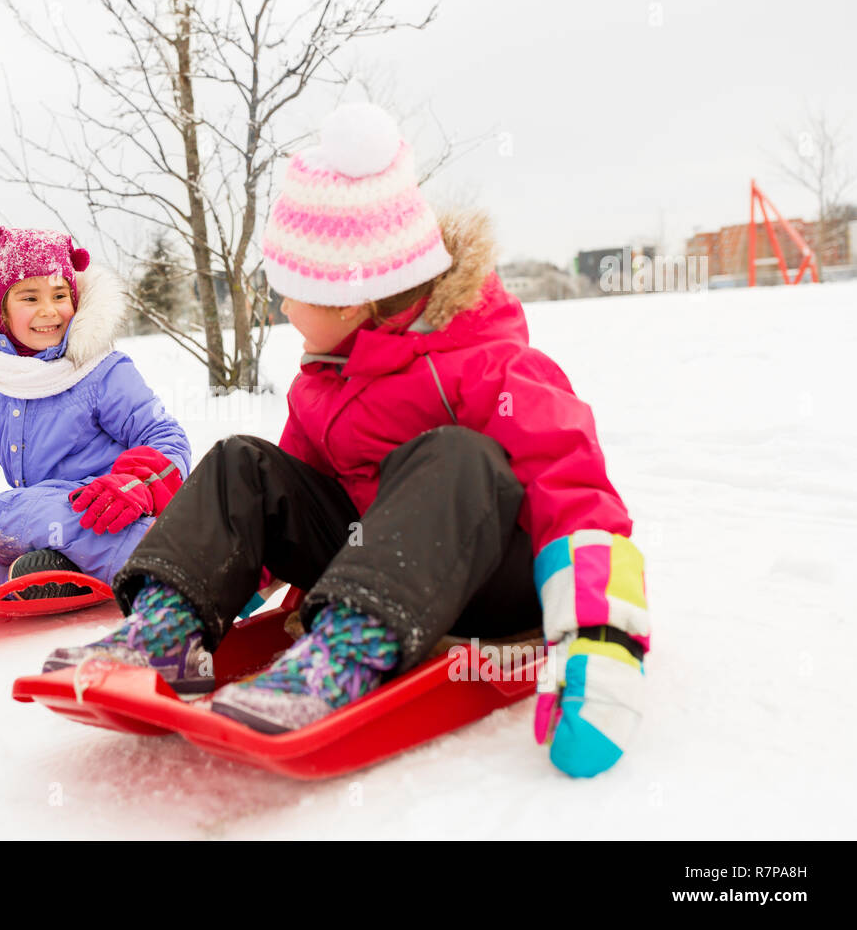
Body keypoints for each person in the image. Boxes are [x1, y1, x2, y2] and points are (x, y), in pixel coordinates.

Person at [43, 105, 649, 778]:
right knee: (241, 461)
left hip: (489, 587)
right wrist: (232, 595)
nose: (280, 308)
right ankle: (167, 628)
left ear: (350, 299)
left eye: (291, 293)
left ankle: (346, 654)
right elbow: (275, 514)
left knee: (455, 456)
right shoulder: (326, 380)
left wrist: (602, 643)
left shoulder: (494, 369)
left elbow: (578, 497)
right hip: (376, 571)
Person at [0, 225, 190, 600]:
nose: (49, 310)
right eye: (30, 298)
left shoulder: (100, 370)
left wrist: (134, 485)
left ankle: (164, 559)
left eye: (60, 295)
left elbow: (165, 438)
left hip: (104, 512)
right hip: (30, 526)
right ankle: (41, 574)